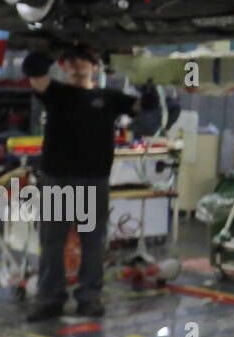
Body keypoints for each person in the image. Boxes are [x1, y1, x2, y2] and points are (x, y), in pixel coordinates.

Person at [20, 45, 160, 321]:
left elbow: (147, 106)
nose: (77, 64)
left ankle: (89, 297)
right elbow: (32, 68)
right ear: (64, 66)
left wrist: (145, 77)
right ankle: (50, 299)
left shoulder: (108, 97)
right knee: (52, 243)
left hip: (92, 180)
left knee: (92, 243)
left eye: (83, 59)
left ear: (95, 66)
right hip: (57, 178)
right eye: (71, 60)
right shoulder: (55, 92)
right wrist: (54, 46)